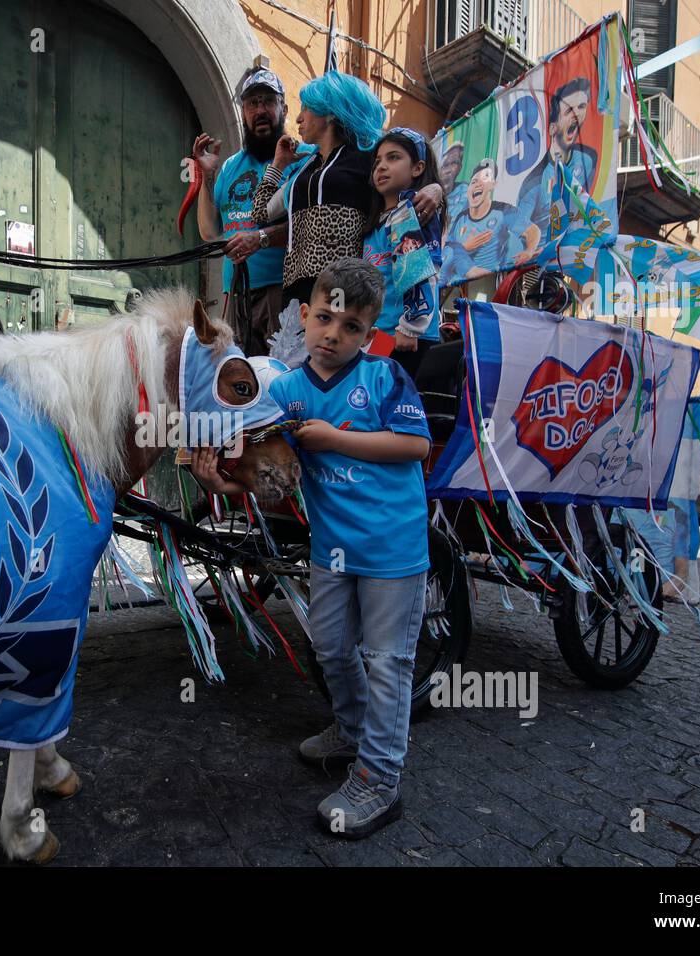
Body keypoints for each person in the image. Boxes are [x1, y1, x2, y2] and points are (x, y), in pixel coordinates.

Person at [192, 257, 432, 839]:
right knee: (329, 647)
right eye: (325, 318)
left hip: (392, 553)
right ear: (304, 316)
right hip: (332, 552)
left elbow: (415, 446)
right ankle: (350, 732)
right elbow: (274, 475)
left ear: (370, 333)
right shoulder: (289, 391)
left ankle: (380, 781)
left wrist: (335, 438)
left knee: (387, 663)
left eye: (351, 327)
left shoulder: (383, 379)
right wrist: (225, 484)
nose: (333, 334)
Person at [250, 71, 444, 310]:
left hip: (343, 287)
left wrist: (435, 190)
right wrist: (278, 165)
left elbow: (409, 170)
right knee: (293, 347)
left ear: (330, 112)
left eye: (306, 108)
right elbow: (260, 213)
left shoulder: (367, 158)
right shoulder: (304, 170)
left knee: (336, 345)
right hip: (295, 290)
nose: (299, 118)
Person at [192, 67, 315, 354]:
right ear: (243, 112)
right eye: (252, 103)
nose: (260, 110)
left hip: (283, 290)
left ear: (283, 108)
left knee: (281, 373)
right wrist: (207, 176)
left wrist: (259, 238)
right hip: (236, 292)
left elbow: (307, 226)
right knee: (241, 376)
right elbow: (210, 231)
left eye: (268, 102)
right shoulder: (231, 165)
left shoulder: (304, 157)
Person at [362, 127, 446, 378]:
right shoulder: (376, 222)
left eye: (394, 157)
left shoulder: (410, 213)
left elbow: (423, 271)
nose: (381, 167)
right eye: (377, 161)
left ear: (417, 168)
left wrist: (411, 327)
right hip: (380, 335)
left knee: (400, 412)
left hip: (407, 338)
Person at [515, 76, 599, 256]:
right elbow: (518, 233)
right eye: (569, 110)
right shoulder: (534, 183)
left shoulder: (589, 159)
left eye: (581, 107)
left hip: (571, 254)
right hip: (540, 267)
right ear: (552, 128)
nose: (576, 115)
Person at [439, 160, 539, 285]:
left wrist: (529, 251)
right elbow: (449, 250)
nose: (478, 185)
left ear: (493, 184)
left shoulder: (503, 211)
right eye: (474, 181)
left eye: (484, 180)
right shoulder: (461, 218)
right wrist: (465, 247)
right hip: (457, 287)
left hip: (489, 283)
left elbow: (532, 230)